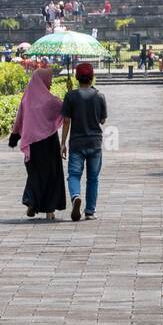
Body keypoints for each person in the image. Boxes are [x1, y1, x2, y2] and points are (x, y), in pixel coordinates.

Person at [8, 67, 66, 221]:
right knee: (52, 175)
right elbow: (64, 109)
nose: (51, 83)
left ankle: (31, 201)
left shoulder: (27, 98)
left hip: (32, 143)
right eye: (49, 80)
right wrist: (70, 93)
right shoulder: (50, 100)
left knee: (35, 174)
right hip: (49, 142)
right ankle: (49, 210)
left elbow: (20, 117)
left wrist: (14, 135)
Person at [61, 61, 107, 222]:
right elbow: (102, 120)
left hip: (76, 143)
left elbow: (66, 121)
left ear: (76, 77)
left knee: (74, 175)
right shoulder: (99, 96)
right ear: (92, 77)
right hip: (95, 142)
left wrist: (62, 143)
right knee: (93, 178)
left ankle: (75, 197)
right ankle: (90, 211)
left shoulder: (70, 96)